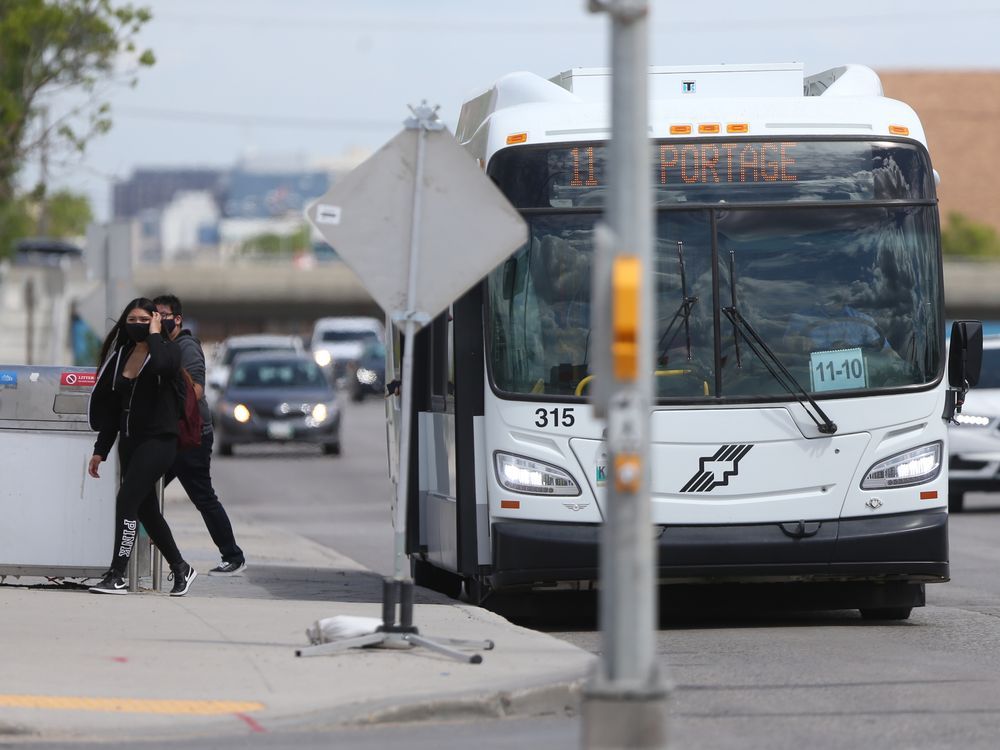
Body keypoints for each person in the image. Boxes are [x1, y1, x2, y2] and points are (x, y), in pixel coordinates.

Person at [87, 298, 197, 596]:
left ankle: (117, 573)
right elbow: (113, 408)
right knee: (146, 511)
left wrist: (154, 335)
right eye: (131, 320)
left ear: (155, 322)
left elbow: (162, 364)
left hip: (159, 440)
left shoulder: (167, 352)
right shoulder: (121, 354)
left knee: (126, 501)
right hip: (129, 441)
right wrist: (101, 449)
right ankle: (181, 568)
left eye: (143, 320)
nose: (137, 325)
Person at [154, 294, 246, 575]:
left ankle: (233, 555)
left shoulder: (186, 347)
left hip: (190, 436)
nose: (158, 320)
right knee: (142, 494)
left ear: (177, 318)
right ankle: (130, 553)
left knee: (202, 496)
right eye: (154, 315)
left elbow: (195, 391)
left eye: (163, 315)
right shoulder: (162, 346)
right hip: (171, 434)